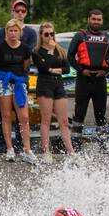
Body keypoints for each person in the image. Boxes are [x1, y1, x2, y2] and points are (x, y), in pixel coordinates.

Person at [0, 19, 37, 164]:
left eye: (15, 30)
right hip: (3, 81)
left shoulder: (25, 49)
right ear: (6, 32)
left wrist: (19, 78)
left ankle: (27, 150)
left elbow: (25, 66)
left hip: (18, 82)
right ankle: (9, 149)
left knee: (23, 117)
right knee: (5, 115)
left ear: (19, 32)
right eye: (10, 30)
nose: (12, 33)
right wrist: (0, 79)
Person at [33, 22, 74, 161]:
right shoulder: (37, 51)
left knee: (64, 121)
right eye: (46, 34)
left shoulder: (60, 49)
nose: (50, 36)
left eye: (52, 33)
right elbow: (43, 67)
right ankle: (46, 152)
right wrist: (50, 52)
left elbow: (67, 69)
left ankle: (71, 152)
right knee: (46, 120)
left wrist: (54, 69)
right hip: (45, 85)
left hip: (58, 84)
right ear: (41, 36)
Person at [69, 10, 109, 134]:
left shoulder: (108, 37)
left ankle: (103, 147)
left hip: (100, 80)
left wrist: (106, 72)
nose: (96, 22)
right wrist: (81, 71)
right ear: (89, 19)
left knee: (100, 115)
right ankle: (76, 148)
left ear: (102, 21)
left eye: (99, 19)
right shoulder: (80, 35)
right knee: (79, 114)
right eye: (94, 19)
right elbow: (70, 56)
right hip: (83, 80)